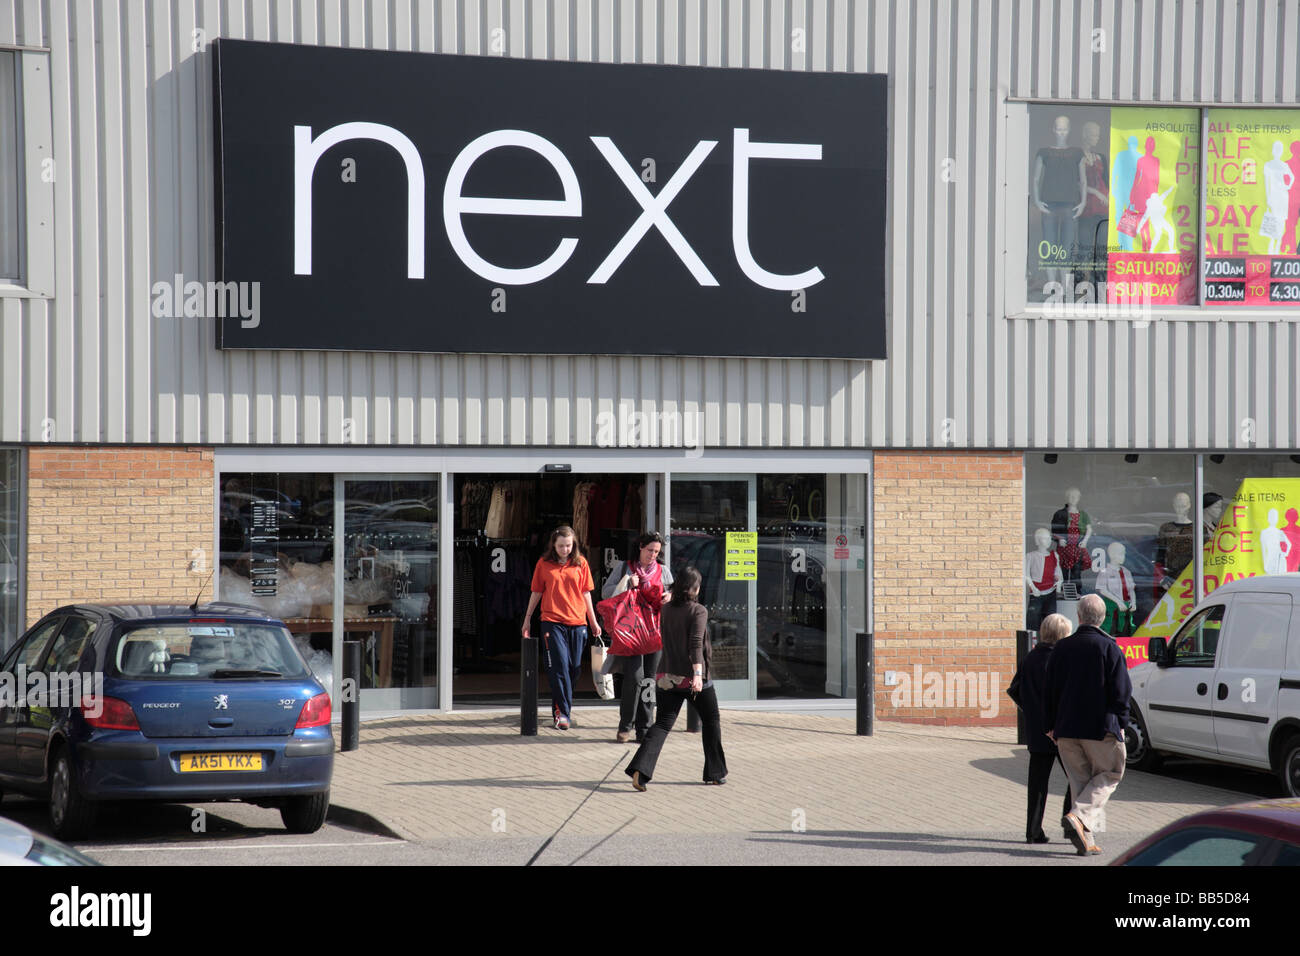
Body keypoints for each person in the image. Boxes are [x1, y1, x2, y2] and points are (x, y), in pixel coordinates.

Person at [1044, 593, 1132, 856]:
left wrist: (1050, 725)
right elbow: (1121, 692)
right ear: (1102, 619)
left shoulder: (1061, 648)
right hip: (1101, 728)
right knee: (1111, 773)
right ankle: (1079, 817)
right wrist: (1122, 723)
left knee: (1080, 784)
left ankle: (1086, 839)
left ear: (1079, 616)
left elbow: (1049, 690)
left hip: (1067, 729)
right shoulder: (1110, 648)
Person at [626, 567, 727, 789]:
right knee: (711, 720)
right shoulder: (698, 610)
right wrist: (698, 675)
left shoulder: (668, 609)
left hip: (666, 675)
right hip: (692, 677)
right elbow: (695, 644)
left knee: (662, 724)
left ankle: (640, 771)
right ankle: (715, 772)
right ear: (696, 588)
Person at [522, 526, 602, 731]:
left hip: (578, 622)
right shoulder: (544, 564)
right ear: (553, 545)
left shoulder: (581, 563)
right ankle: (562, 713)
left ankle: (562, 707)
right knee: (559, 668)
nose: (565, 549)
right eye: (560, 546)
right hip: (552, 621)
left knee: (574, 669)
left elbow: (586, 594)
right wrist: (528, 619)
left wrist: (593, 622)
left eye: (568, 545)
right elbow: (536, 592)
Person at [601, 531, 674, 743]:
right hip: (631, 632)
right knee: (634, 678)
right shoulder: (624, 567)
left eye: (657, 551)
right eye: (650, 550)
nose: (653, 554)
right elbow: (606, 593)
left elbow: (674, 595)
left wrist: (670, 596)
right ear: (640, 547)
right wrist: (626, 583)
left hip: (654, 633)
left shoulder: (663, 571)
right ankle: (625, 726)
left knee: (650, 680)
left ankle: (645, 727)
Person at [1007, 614, 1073, 844]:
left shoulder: (1031, 657)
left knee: (1037, 784)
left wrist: (1032, 712)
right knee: (1078, 779)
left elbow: (1014, 689)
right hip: (1063, 731)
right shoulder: (1063, 659)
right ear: (1064, 634)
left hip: (1038, 731)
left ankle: (1033, 831)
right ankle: (1071, 825)